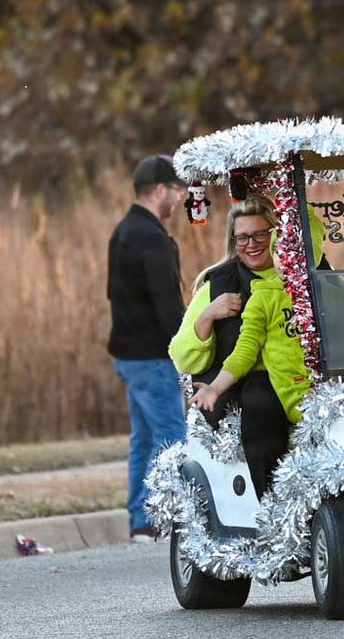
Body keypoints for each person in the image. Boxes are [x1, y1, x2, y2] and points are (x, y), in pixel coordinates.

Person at [187, 195, 325, 499]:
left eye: (261, 234)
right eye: (243, 237)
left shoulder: (322, 286)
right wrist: (214, 386)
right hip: (268, 381)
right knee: (261, 402)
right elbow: (243, 350)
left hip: (319, 376)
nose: (252, 244)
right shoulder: (248, 291)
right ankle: (273, 503)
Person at [107, 154, 188, 543]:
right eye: (177, 190)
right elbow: (168, 306)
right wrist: (191, 349)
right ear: (160, 190)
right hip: (153, 357)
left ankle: (141, 521)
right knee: (173, 435)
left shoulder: (122, 231)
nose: (181, 198)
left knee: (143, 439)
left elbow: (114, 294)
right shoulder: (152, 238)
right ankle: (164, 514)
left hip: (128, 355)